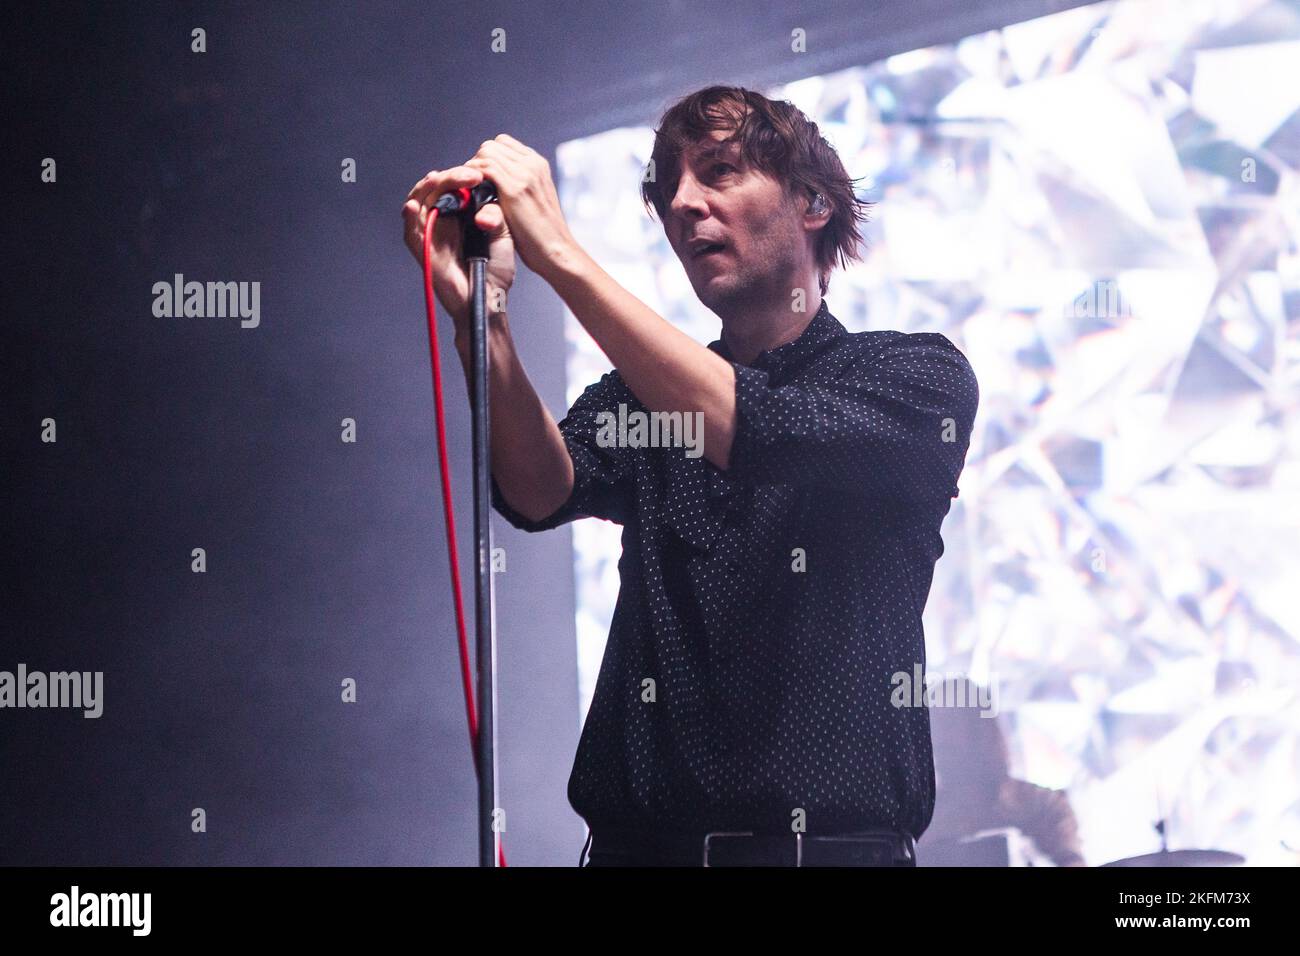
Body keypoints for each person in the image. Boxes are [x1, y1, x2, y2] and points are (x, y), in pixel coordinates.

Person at [402, 85, 979, 866]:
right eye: (670, 187)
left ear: (812, 203)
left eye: (719, 172)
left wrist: (562, 255)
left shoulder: (916, 376)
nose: (683, 203)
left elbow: (760, 428)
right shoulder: (644, 394)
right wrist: (488, 318)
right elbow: (537, 490)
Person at [924, 678, 1086, 866]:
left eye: (957, 726)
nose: (948, 741)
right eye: (941, 728)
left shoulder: (1041, 807)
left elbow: (1072, 862)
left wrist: (1027, 856)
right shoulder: (926, 823)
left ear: (985, 729)